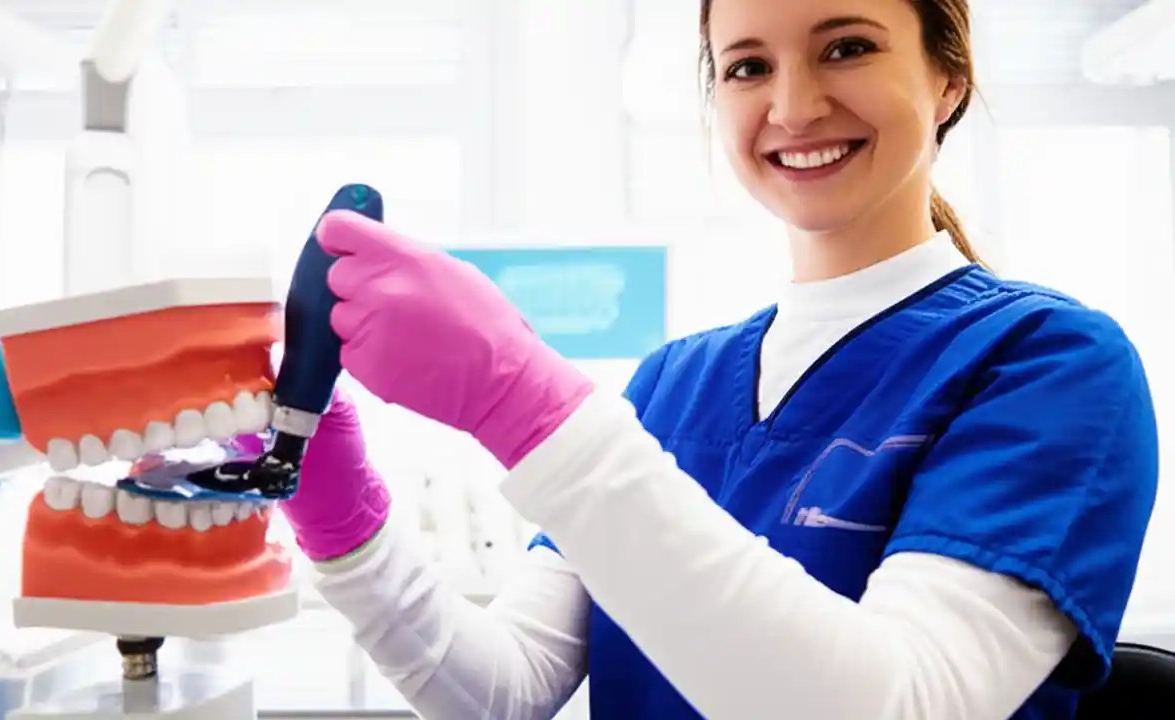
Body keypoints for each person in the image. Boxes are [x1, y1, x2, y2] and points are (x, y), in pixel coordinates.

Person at [277, 0, 1160, 718]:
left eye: (846, 46)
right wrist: (340, 510)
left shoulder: (1048, 367)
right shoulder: (674, 383)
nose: (794, 106)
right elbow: (504, 691)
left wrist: (524, 406)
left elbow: (901, 704)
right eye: (747, 66)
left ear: (948, 79)